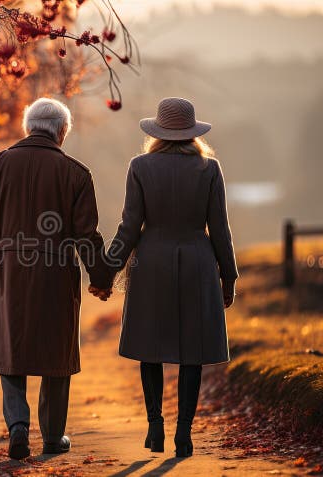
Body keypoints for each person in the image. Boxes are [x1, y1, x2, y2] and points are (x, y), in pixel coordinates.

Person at [0, 97, 114, 460]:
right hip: (56, 273)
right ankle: (52, 436)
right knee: (55, 352)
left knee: (9, 347)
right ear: (62, 132)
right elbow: (86, 235)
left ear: (28, 128)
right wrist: (101, 277)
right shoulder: (76, 173)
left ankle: (18, 425)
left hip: (5, 271)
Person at [99, 97, 238, 458]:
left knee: (151, 347)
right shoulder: (209, 169)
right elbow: (220, 229)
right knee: (193, 352)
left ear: (157, 132)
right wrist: (229, 277)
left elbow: (129, 227)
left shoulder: (140, 166)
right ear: (193, 133)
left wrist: (107, 269)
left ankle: (155, 425)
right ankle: (184, 433)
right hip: (198, 262)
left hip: (152, 263)